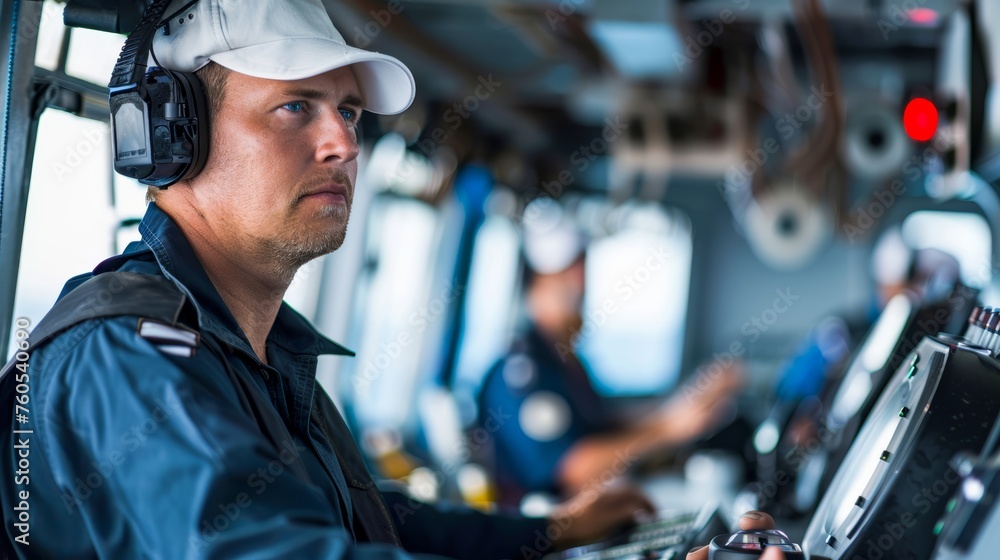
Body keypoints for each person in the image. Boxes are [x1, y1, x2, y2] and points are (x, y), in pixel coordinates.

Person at [0, 1, 655, 558]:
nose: (343, 143)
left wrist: (557, 532)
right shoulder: (126, 357)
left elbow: (362, 519)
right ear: (175, 133)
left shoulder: (264, 351)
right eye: (294, 106)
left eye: (347, 111)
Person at [478, 199, 744, 505]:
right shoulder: (521, 374)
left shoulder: (564, 362)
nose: (580, 286)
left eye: (581, 271)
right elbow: (573, 469)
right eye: (567, 279)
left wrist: (687, 403)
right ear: (536, 286)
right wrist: (668, 429)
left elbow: (605, 429)